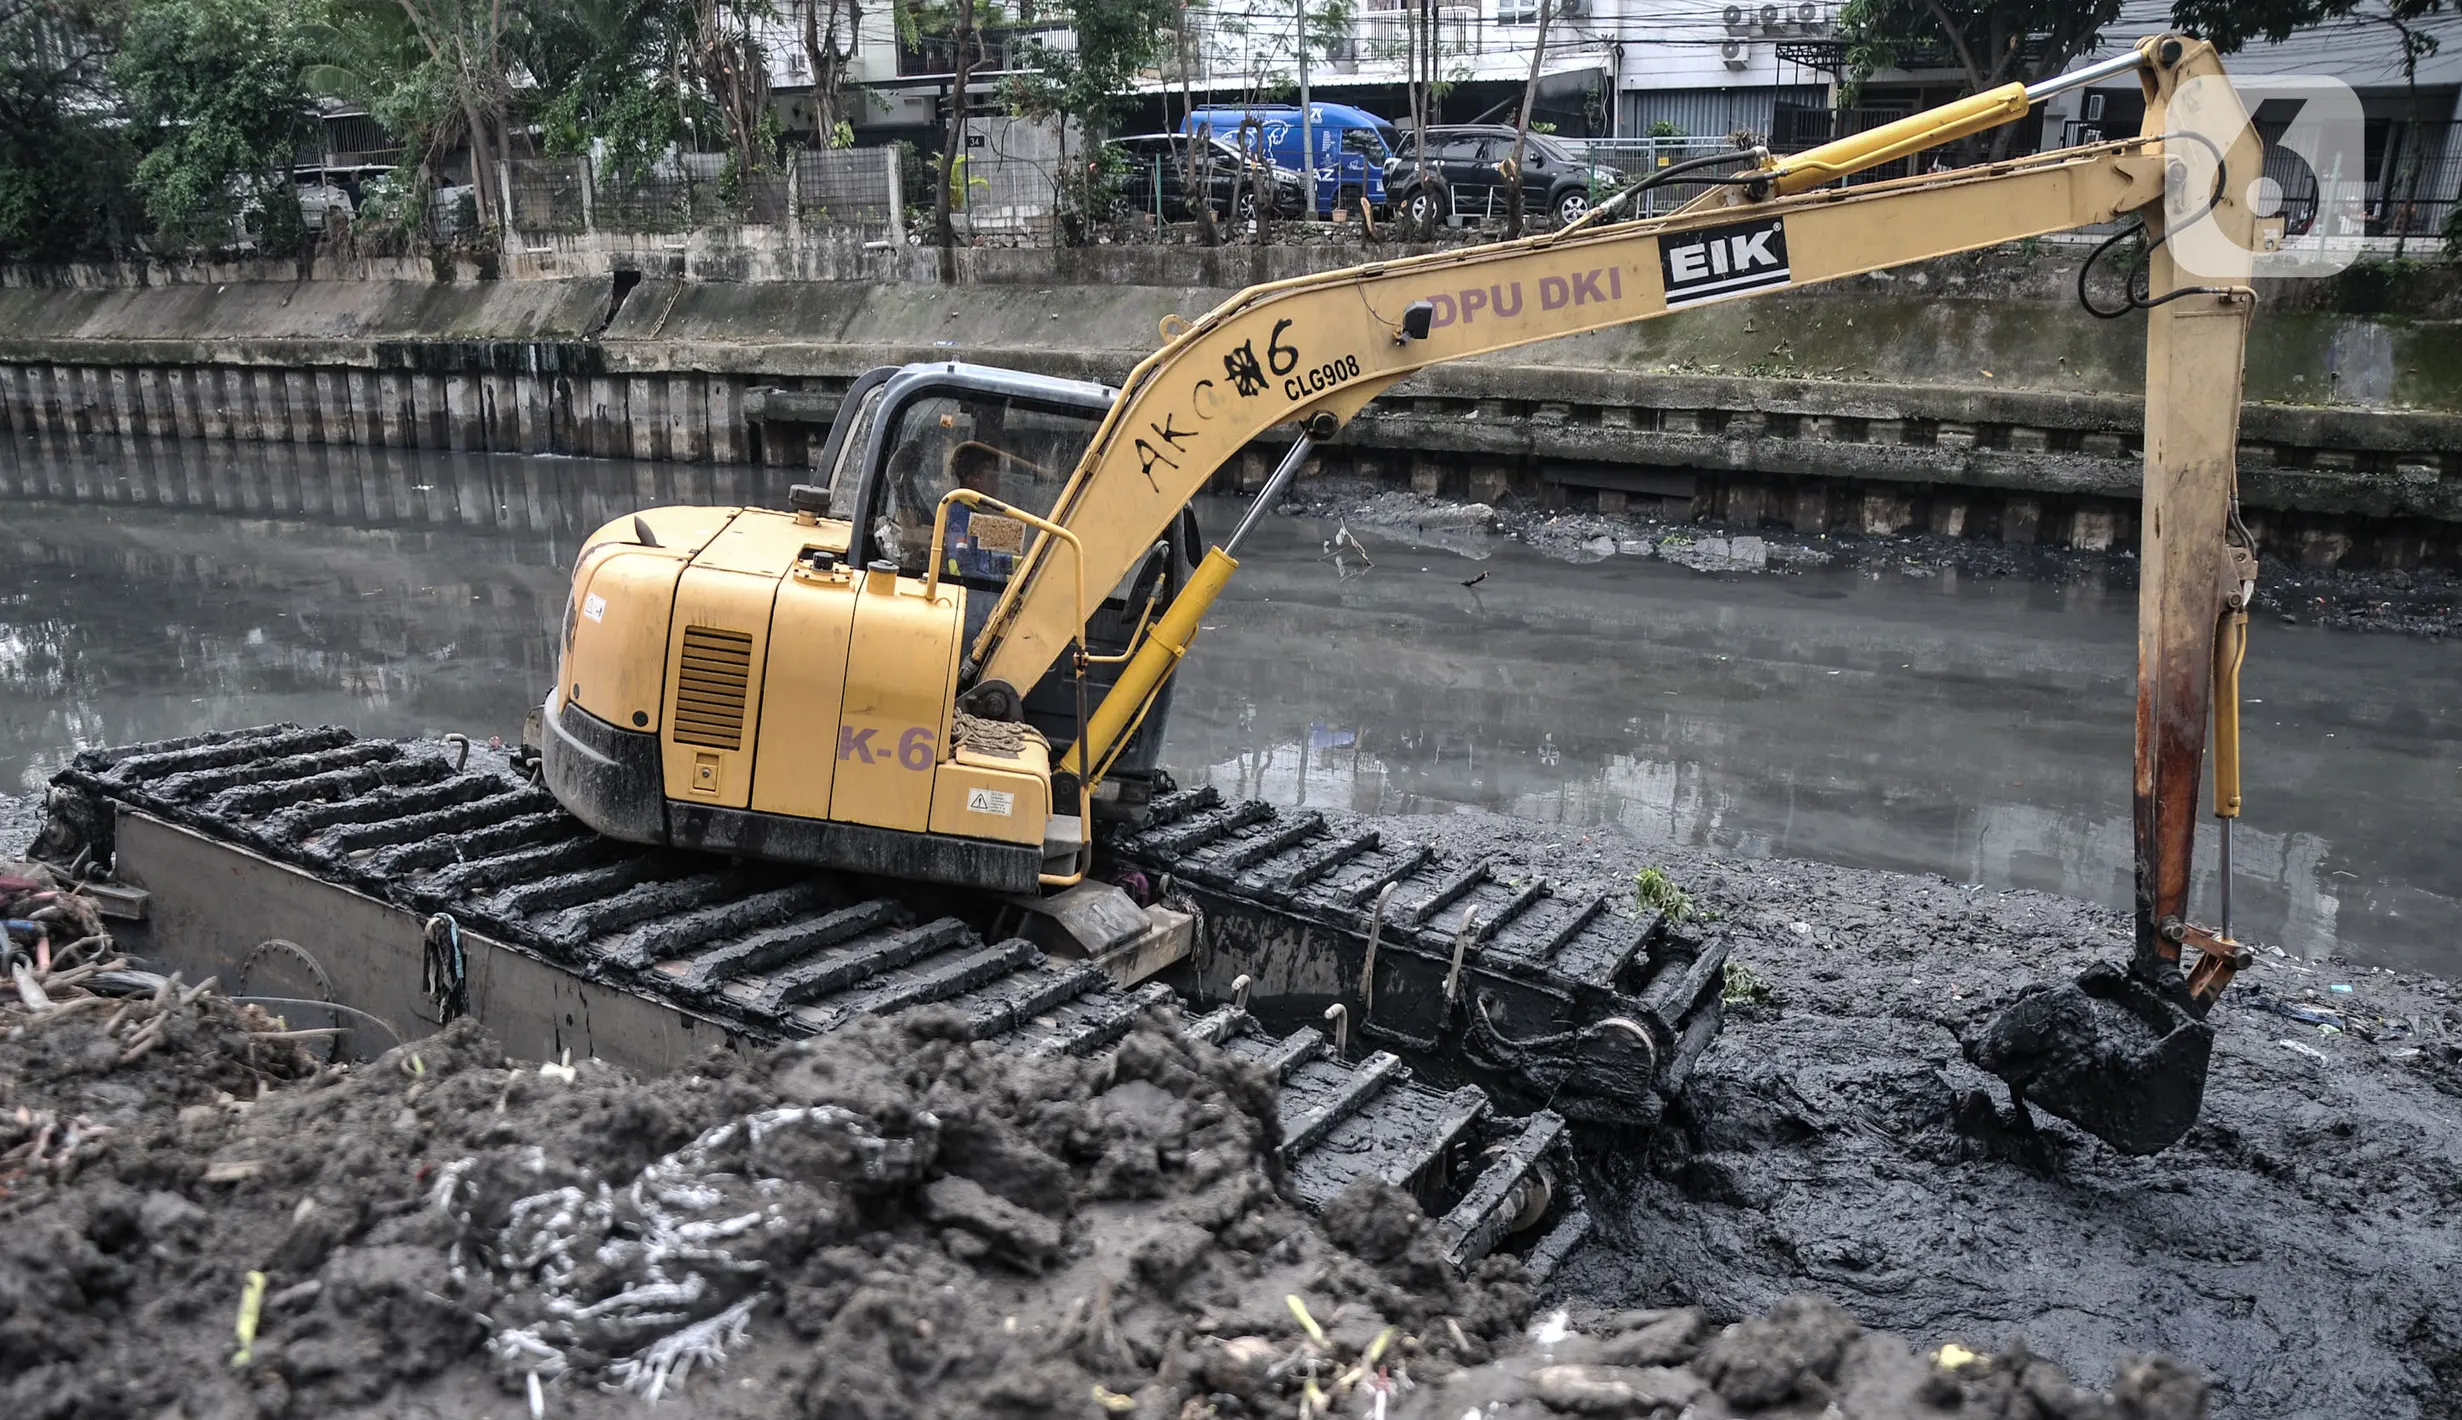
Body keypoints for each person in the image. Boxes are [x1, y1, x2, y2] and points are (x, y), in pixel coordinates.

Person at [942, 443, 1021, 580]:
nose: (997, 483)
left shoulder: (973, 513)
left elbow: (984, 563)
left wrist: (1020, 564)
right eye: (992, 477)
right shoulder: (960, 517)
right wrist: (1008, 581)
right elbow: (962, 572)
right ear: (972, 479)